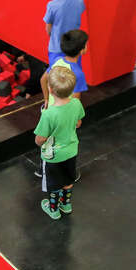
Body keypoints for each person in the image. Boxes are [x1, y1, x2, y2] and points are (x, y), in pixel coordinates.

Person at [35, 65, 85, 221]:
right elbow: (78, 123)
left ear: (50, 89)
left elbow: (40, 139)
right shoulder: (76, 104)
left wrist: (38, 142)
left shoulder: (48, 114)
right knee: (68, 179)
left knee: (54, 184)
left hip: (53, 156)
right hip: (71, 151)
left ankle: (53, 209)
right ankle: (66, 204)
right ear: (71, 90)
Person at [43, 0, 85, 72]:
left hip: (57, 48)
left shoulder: (52, 5)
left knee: (57, 79)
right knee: (73, 75)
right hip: (74, 47)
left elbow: (48, 28)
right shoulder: (80, 0)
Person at [41, 29, 88, 106]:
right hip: (65, 116)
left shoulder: (57, 61)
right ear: (82, 50)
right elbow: (75, 102)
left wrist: (46, 99)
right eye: (86, 44)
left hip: (51, 108)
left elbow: (43, 80)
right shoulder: (78, 74)